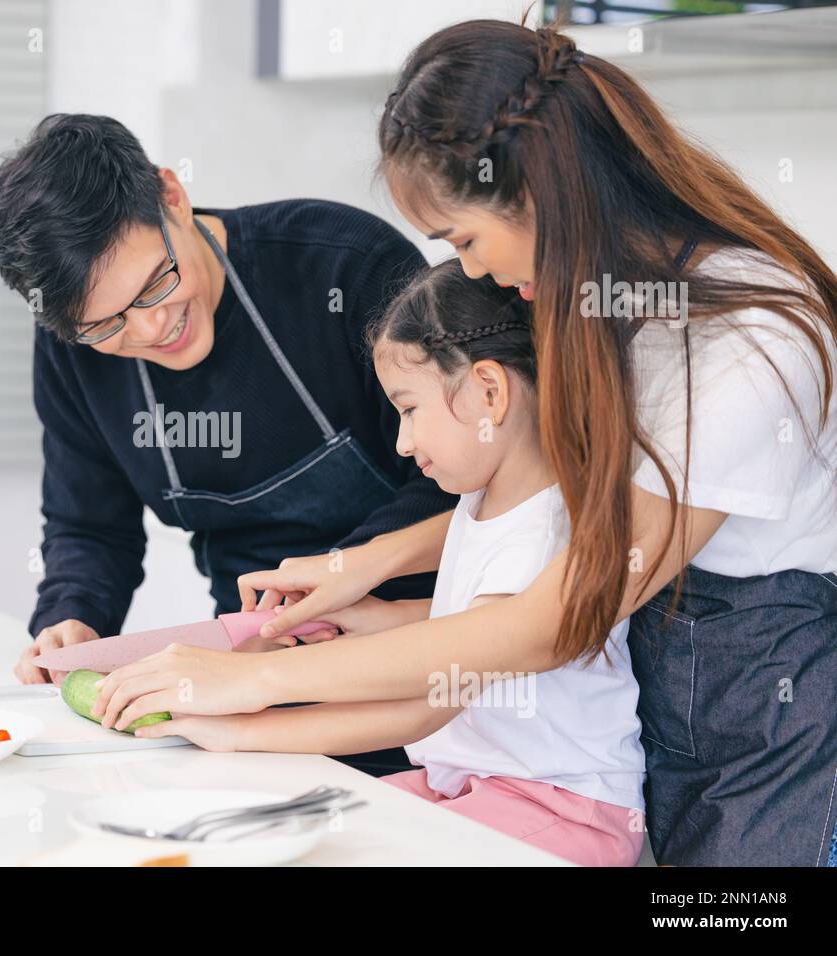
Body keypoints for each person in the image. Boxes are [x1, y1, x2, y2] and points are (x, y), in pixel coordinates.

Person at [91, 20, 837, 867]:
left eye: (464, 241)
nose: (472, 275)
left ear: (542, 194)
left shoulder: (747, 341)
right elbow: (572, 506)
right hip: (659, 677)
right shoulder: (601, 302)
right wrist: (368, 562)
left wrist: (255, 681)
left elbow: (562, 616)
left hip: (758, 702)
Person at [135, 260, 647, 866]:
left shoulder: (541, 528)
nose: (401, 443)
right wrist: (372, 618)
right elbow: (463, 625)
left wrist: (242, 728)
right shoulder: (485, 499)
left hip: (560, 812)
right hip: (470, 785)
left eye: (407, 408)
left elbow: (427, 701)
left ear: (490, 391)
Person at [0, 115, 456, 714]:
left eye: (155, 283)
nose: (151, 329)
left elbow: (472, 473)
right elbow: (89, 524)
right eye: (105, 325)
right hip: (247, 671)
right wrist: (73, 617)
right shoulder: (70, 349)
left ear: (172, 198)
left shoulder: (343, 265)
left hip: (424, 658)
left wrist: (327, 586)